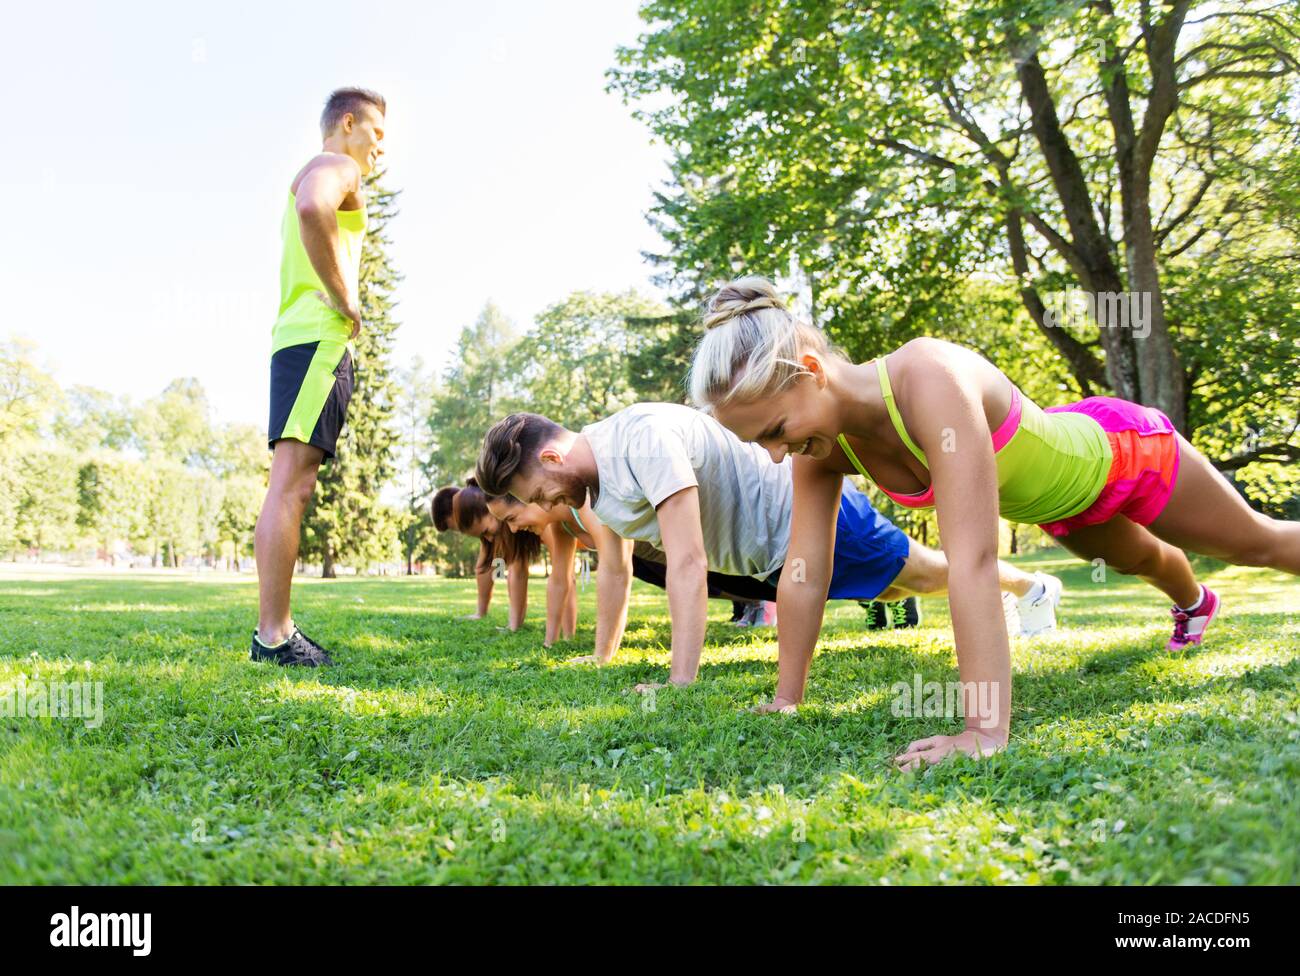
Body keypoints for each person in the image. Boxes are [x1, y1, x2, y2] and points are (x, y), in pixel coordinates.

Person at [688, 276, 1300, 768]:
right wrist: (786, 701)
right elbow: (803, 570)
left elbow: (974, 563)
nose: (773, 454)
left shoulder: (926, 376)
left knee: (1257, 543)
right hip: (1059, 506)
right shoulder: (823, 451)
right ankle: (1195, 603)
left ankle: (1196, 596)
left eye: (774, 431)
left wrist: (984, 729)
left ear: (813, 371)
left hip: (1122, 455)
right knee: (1141, 559)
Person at [474, 404, 1057, 689]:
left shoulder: (639, 440)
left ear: (551, 458)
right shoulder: (593, 492)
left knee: (921, 573)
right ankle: (1024, 587)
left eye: (540, 492)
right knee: (901, 582)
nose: (546, 506)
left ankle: (1032, 587)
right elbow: (624, 565)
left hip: (800, 514)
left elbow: (688, 560)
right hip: (769, 557)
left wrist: (680, 681)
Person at [251, 87, 386, 667]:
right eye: (377, 134)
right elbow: (313, 208)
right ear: (347, 124)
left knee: (291, 482)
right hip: (316, 339)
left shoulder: (320, 167)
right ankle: (274, 636)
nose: (381, 150)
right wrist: (347, 297)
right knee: (292, 483)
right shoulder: (336, 166)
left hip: (296, 340)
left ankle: (273, 633)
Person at [487, 494, 783, 661]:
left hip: (685, 552)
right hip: (654, 561)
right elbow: (560, 581)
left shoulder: (586, 505)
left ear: (530, 499)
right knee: (729, 588)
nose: (513, 530)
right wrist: (550, 643)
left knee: (769, 582)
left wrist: (601, 656)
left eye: (512, 519)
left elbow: (616, 572)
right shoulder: (560, 525)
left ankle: (784, 596)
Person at [431, 481, 552, 639]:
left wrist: (514, 625)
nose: (458, 531)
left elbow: (518, 569)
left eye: (454, 527)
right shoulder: (488, 524)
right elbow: (484, 566)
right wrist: (480, 612)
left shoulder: (500, 511)